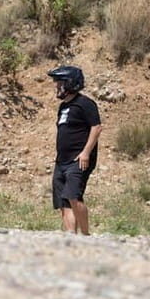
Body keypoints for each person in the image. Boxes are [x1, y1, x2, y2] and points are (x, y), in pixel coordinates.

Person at [47, 65, 102, 236]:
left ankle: (85, 234)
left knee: (73, 196)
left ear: (70, 83)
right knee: (63, 202)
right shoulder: (63, 107)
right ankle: (71, 235)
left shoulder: (85, 104)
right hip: (61, 161)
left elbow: (96, 128)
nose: (57, 86)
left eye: (60, 83)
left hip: (78, 160)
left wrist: (85, 153)